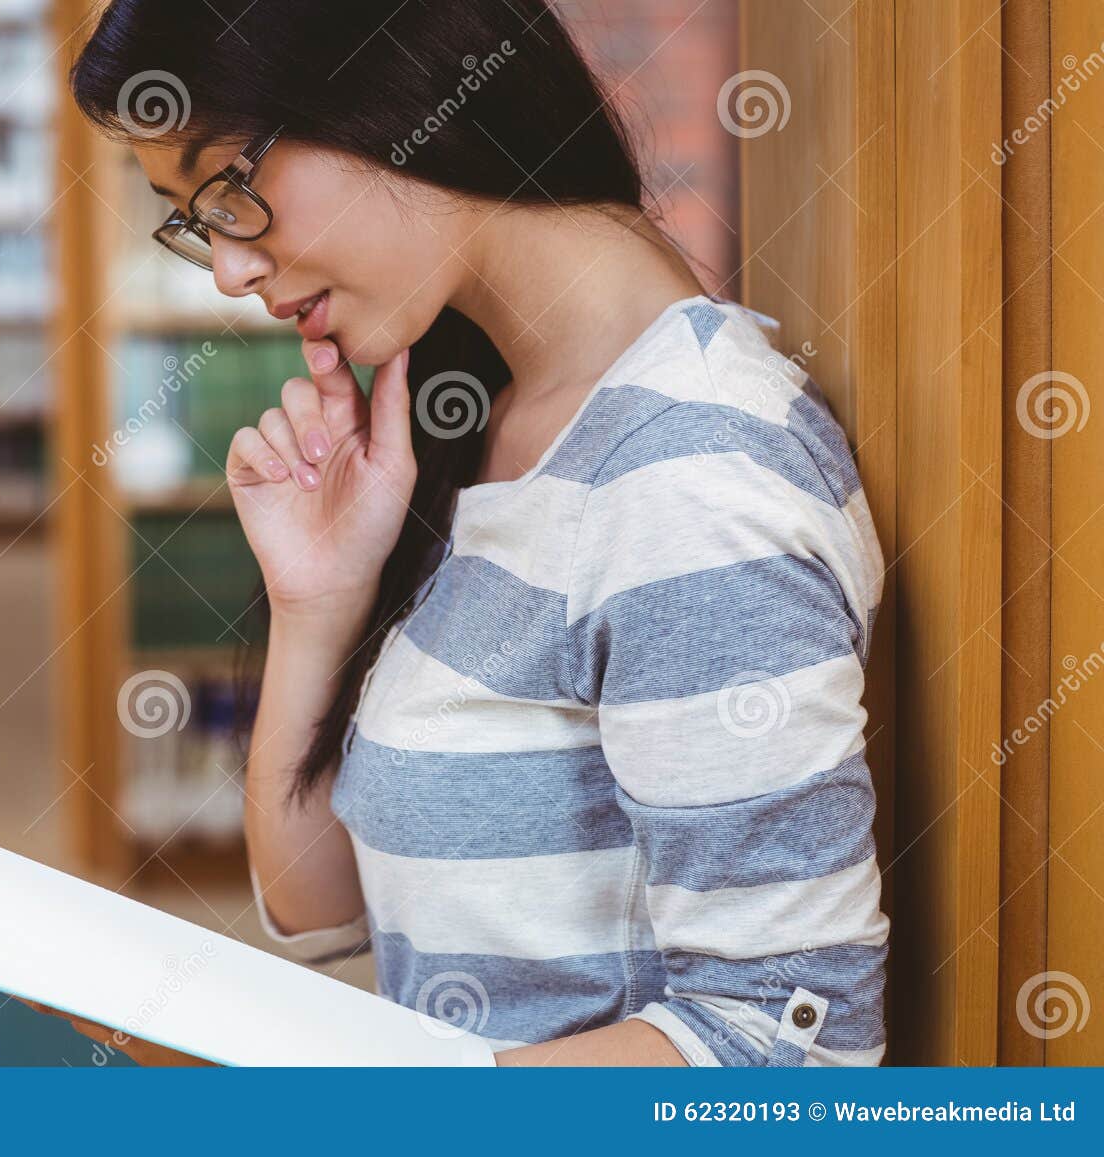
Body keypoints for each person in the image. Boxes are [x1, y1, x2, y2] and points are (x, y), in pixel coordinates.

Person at [54, 0, 889, 1067]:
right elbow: (320, 902)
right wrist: (316, 606)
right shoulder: (483, 413)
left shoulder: (694, 476)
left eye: (226, 188)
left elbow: (786, 1049)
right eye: (190, 221)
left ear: (392, 88)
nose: (228, 270)